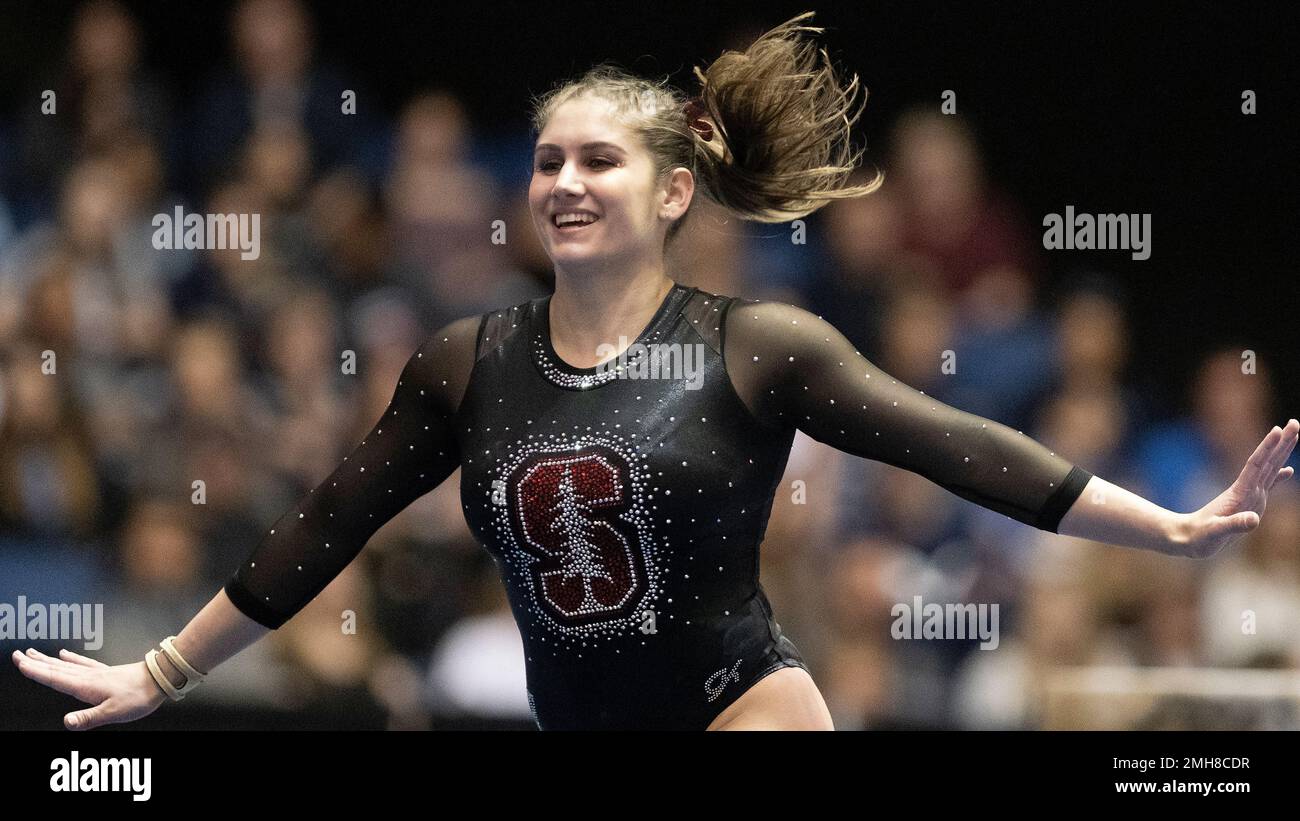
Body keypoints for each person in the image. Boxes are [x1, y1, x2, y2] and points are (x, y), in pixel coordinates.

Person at [12, 12, 1298, 731]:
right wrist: (161, 670)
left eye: (597, 162)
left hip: (745, 706)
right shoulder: (467, 363)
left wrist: (1170, 529)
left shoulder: (756, 346)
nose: (563, 183)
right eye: (547, 161)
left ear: (674, 189)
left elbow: (956, 444)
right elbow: (323, 525)